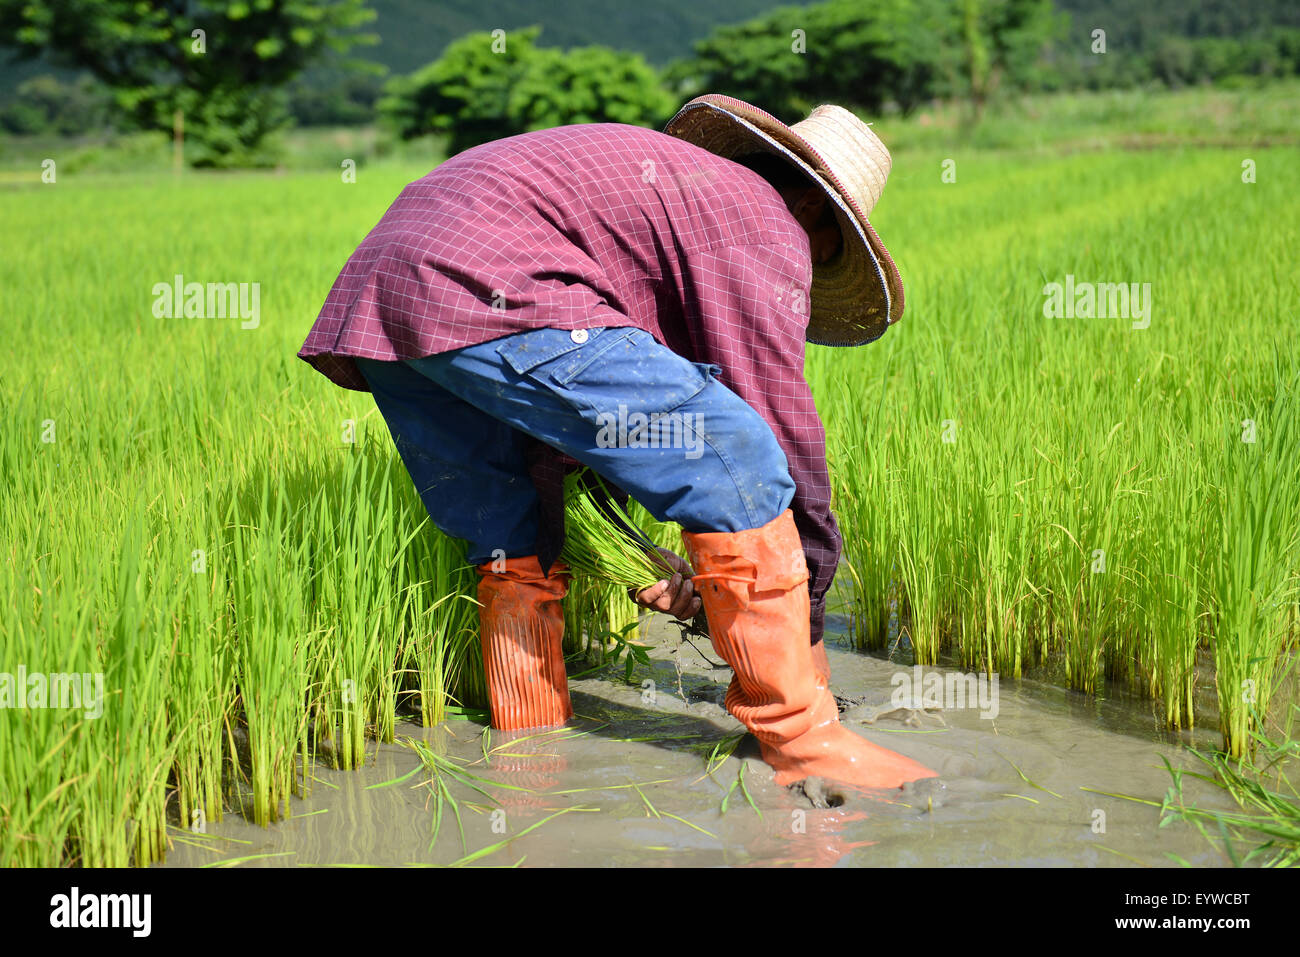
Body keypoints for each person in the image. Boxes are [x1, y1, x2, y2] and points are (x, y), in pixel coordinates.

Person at [298, 94, 937, 792]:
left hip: (393, 289)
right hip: (495, 284)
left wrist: (637, 555)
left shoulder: (682, 193)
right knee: (736, 450)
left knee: (511, 537)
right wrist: (809, 609)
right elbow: (774, 428)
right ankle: (807, 746)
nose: (808, 275)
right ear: (815, 210)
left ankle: (529, 750)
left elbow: (567, 428)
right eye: (827, 255)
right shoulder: (767, 221)